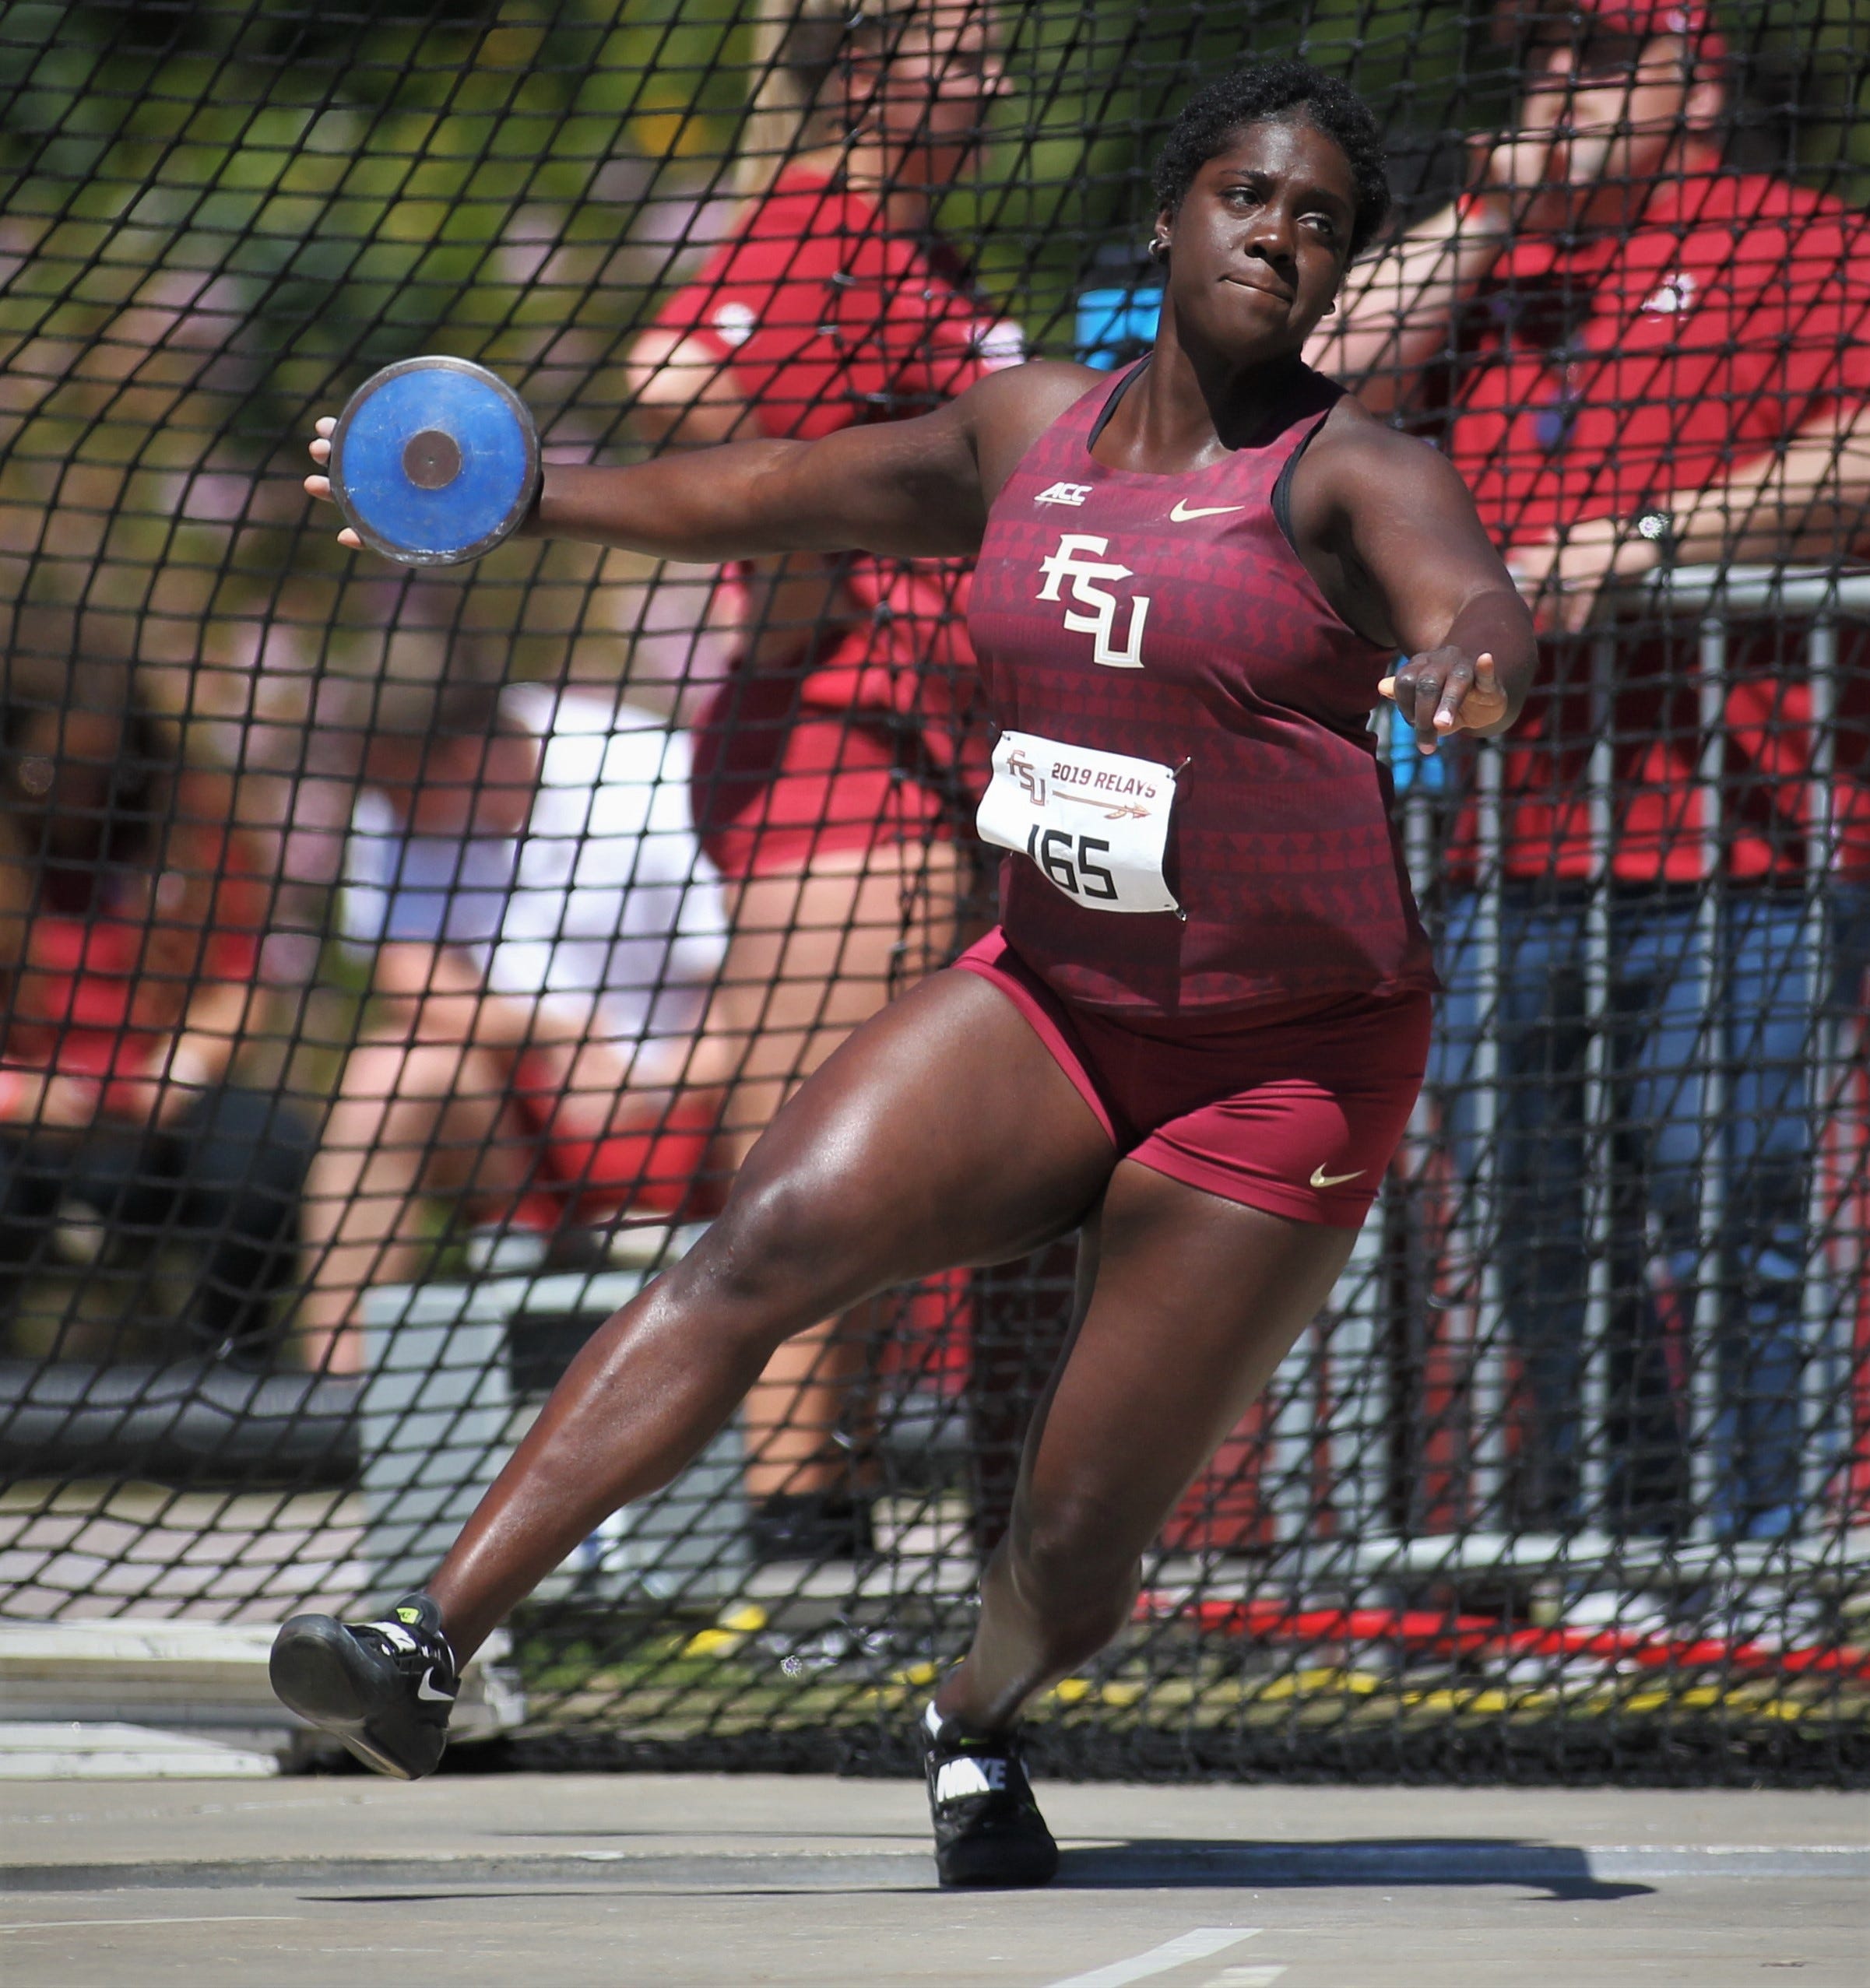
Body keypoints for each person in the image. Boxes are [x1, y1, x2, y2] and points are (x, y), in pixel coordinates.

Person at [273, 60, 1534, 1886]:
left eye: (1324, 217)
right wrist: (531, 494)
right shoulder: (1030, 426)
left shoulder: (1352, 470)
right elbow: (780, 486)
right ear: (1177, 212)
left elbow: (1469, 597)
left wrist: (1473, 665)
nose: (1283, 233)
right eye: (1251, 196)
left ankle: (973, 1713)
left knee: (1081, 1528)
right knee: (763, 1241)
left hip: (1285, 1066)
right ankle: (423, 1636)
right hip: (1055, 1000)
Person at [1316, 0, 1870, 1537]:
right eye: (1539, 53)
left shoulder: (1799, 242)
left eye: (1597, 53)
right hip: (1512, 851)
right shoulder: (1501, 269)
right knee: (1532, 1223)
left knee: (1726, 1206)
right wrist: (1490, 211)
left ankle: (1755, 1561)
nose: (1556, 78)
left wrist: (1642, 549)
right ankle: (1612, 1544)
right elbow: (1294, 388)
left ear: (1691, 76)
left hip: (1747, 846)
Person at [625, 0, 1025, 1560]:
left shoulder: (925, 258)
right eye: (962, 49)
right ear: (861, 71)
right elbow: (670, 380)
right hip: (830, 757)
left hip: (921, 758)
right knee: (814, 1173)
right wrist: (794, 580)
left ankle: (818, 1527)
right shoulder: (818, 229)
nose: (994, 79)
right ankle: (789, 1539)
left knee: (887, 1178)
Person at [297, 671, 726, 1375]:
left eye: (402, 791)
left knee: (793, 1077)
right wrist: (552, 1034)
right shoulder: (393, 794)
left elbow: (749, 994)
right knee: (388, 1075)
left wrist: (654, 1086)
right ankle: (336, 1401)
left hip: (690, 1118)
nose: (387, 812)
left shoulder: (647, 772)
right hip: (522, 1130)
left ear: (464, 759)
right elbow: (409, 974)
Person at [0, 656, 311, 1365]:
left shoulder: (186, 828)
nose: (77, 792)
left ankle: (231, 1364)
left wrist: (187, 1062)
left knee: (266, 1157)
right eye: (50, 769)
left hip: (158, 1120)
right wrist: (19, 1092)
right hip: (25, 1129)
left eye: (99, 769)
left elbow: (242, 978)